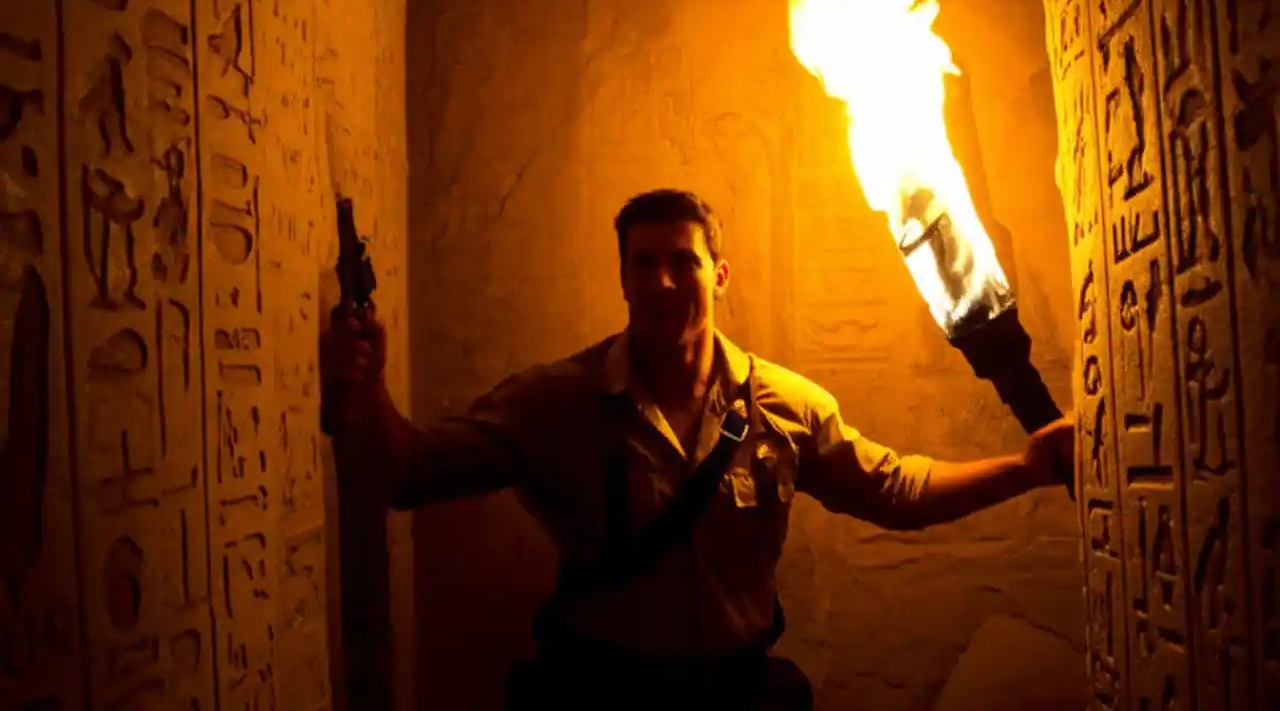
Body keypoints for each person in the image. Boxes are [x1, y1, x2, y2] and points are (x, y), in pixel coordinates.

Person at [320, 189, 1074, 710]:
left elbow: (895, 491)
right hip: (601, 695)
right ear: (622, 279)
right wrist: (365, 386)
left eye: (683, 260)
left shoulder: (786, 406)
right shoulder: (555, 402)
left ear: (719, 273)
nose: (664, 281)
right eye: (643, 263)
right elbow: (409, 473)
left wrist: (1026, 469)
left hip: (735, 695)